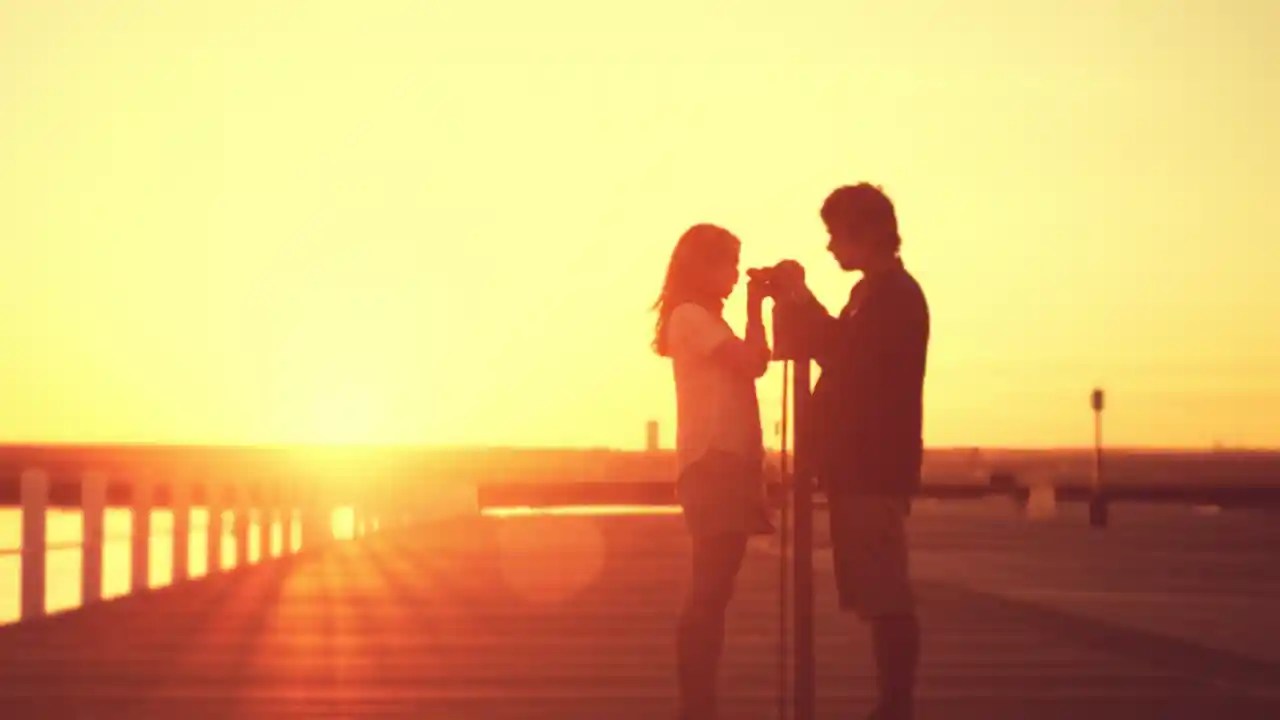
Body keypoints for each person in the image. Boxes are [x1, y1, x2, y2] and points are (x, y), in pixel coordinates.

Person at [770, 184, 930, 720]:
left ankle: (895, 706)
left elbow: (847, 359)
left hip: (873, 466)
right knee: (874, 591)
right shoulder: (871, 294)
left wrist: (800, 300)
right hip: (856, 466)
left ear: (864, 236)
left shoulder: (895, 296)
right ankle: (892, 703)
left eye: (837, 236)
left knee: (884, 593)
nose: (832, 248)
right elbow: (841, 350)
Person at [652, 223, 773, 719]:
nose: (737, 270)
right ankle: (696, 702)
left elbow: (755, 361)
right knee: (709, 588)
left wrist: (752, 308)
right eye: (729, 260)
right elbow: (752, 362)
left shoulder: (705, 318)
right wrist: (755, 306)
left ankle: (700, 698)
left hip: (728, 464)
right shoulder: (690, 317)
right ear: (701, 266)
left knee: (716, 589)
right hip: (712, 465)